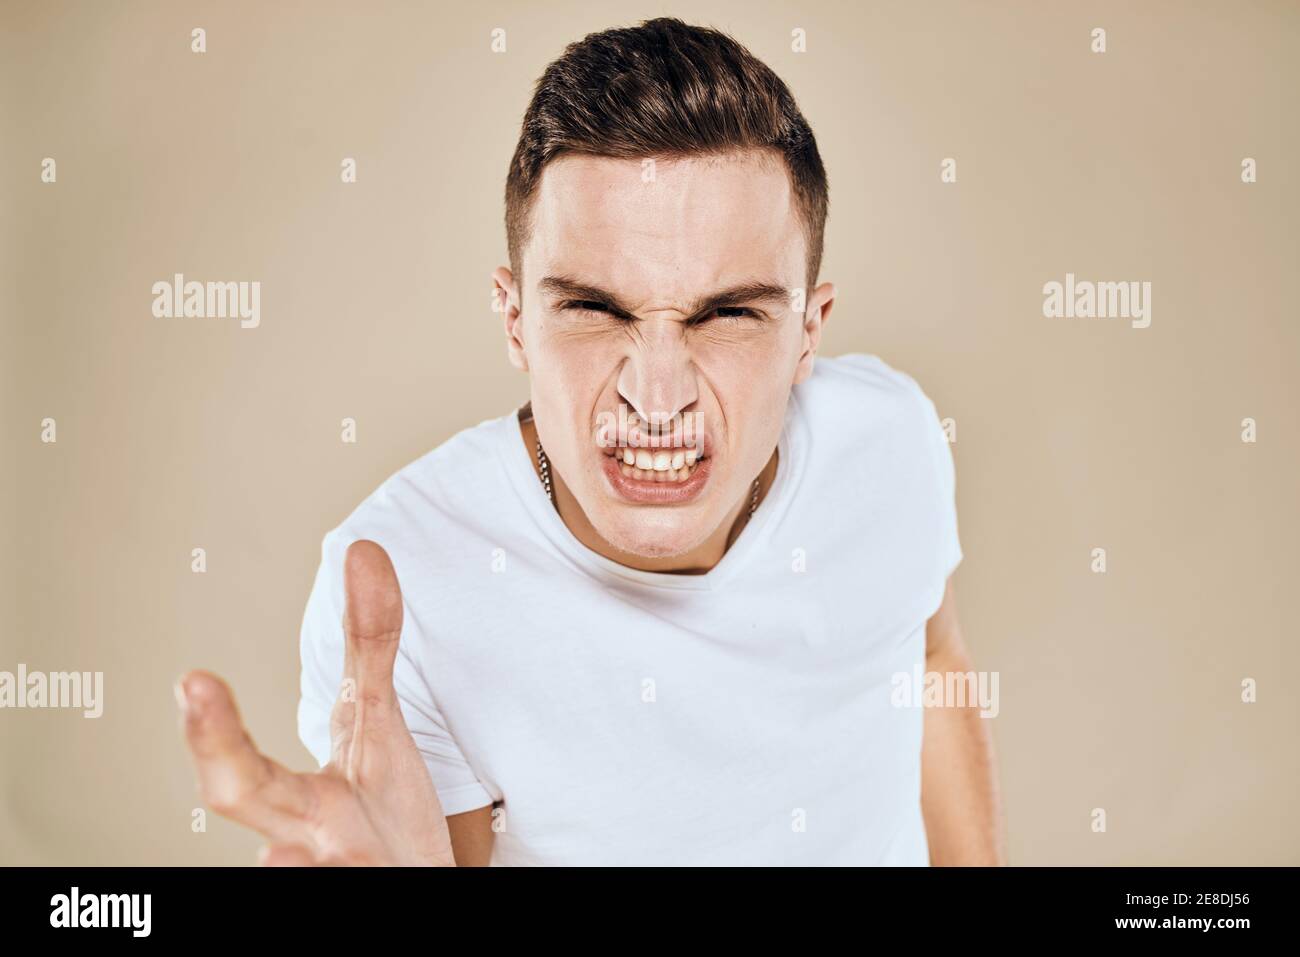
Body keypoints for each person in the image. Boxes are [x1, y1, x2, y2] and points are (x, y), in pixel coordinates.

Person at [175, 17, 1003, 866]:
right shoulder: (403, 590)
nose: (657, 395)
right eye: (594, 308)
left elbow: (932, 654)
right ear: (516, 320)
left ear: (807, 331)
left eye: (728, 314)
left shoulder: (891, 436)